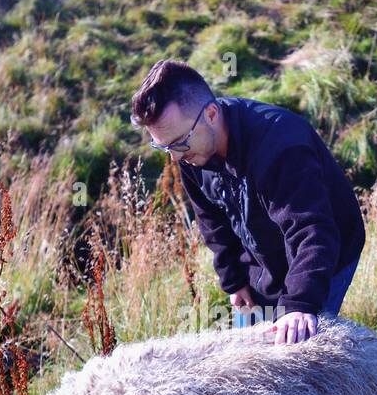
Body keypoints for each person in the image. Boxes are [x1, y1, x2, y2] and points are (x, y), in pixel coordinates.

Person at [129, 59, 364, 345]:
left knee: (298, 353)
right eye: (163, 147)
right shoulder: (192, 150)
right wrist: (234, 280)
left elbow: (312, 231)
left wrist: (301, 305)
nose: (175, 158)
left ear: (212, 114)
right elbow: (211, 220)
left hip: (322, 254)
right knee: (251, 351)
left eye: (178, 144)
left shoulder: (282, 148)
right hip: (260, 261)